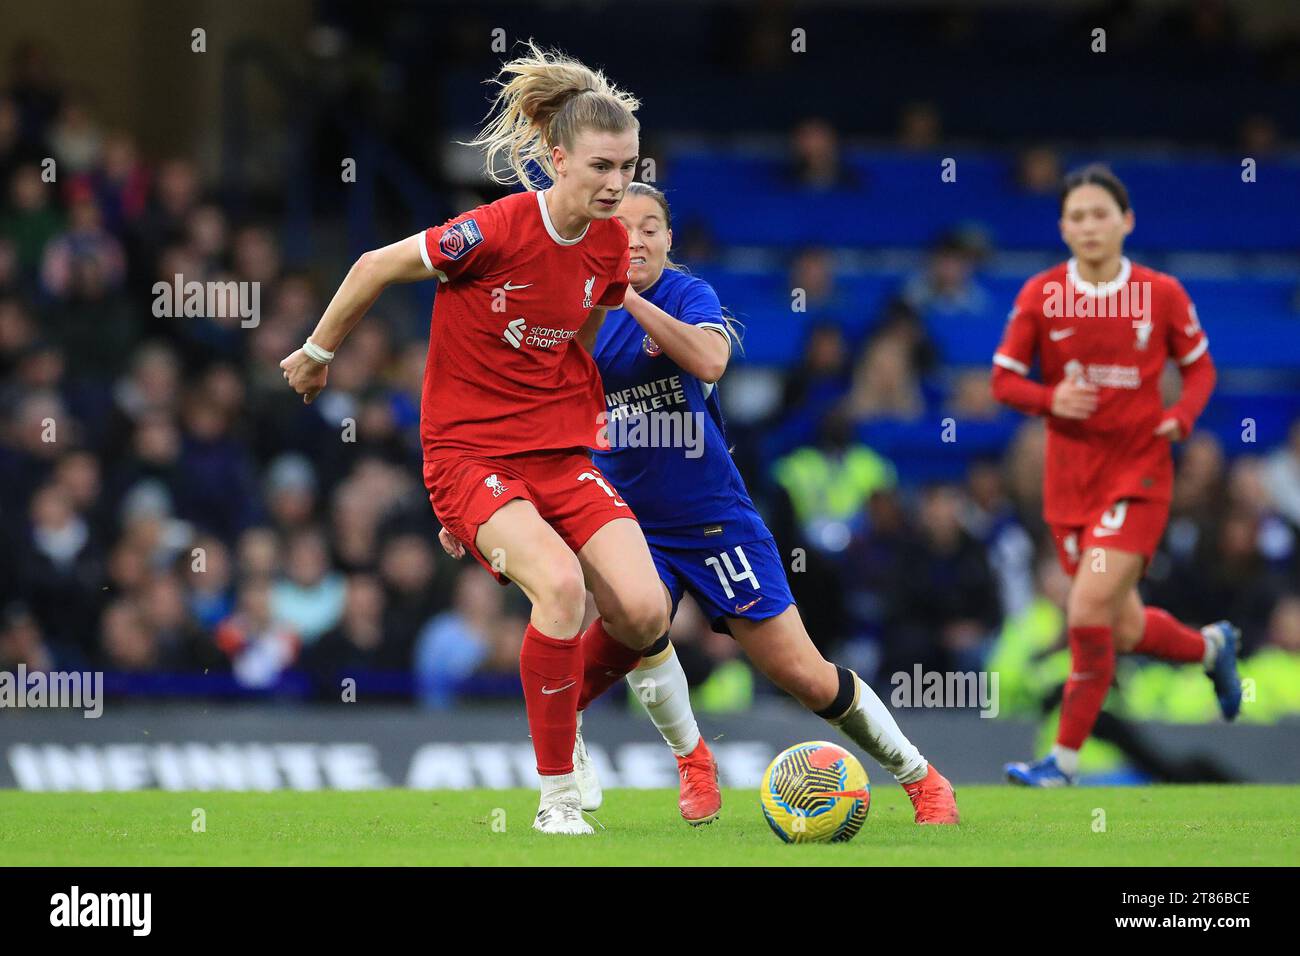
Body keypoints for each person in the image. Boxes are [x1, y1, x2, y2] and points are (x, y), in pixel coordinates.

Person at [444, 182, 960, 826]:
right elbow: (526, 408)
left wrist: (625, 294)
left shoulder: (687, 296)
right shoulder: (572, 313)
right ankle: (689, 759)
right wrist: (473, 499)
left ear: (668, 239)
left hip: (713, 517)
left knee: (803, 673)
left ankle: (922, 777)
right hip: (619, 516)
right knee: (638, 617)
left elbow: (712, 361)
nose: (633, 239)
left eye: (649, 227)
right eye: (620, 227)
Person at [282, 43, 670, 834]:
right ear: (557, 160)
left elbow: (584, 328)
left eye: (629, 166)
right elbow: (371, 264)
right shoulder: (490, 231)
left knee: (644, 610)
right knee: (560, 589)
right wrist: (319, 355)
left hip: (560, 455)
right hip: (471, 458)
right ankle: (558, 797)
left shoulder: (606, 246)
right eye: (602, 166)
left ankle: (566, 714)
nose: (618, 184)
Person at [990, 163, 1242, 786]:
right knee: (1121, 628)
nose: (1089, 225)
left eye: (1100, 213)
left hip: (1139, 478)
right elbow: (1003, 380)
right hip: (1069, 485)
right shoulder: (1042, 295)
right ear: (1063, 227)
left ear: (1126, 221)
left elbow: (1203, 370)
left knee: (1084, 613)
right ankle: (1213, 648)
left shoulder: (1161, 294)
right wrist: (1051, 400)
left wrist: (1181, 416)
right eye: (1076, 216)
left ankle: (1063, 763)